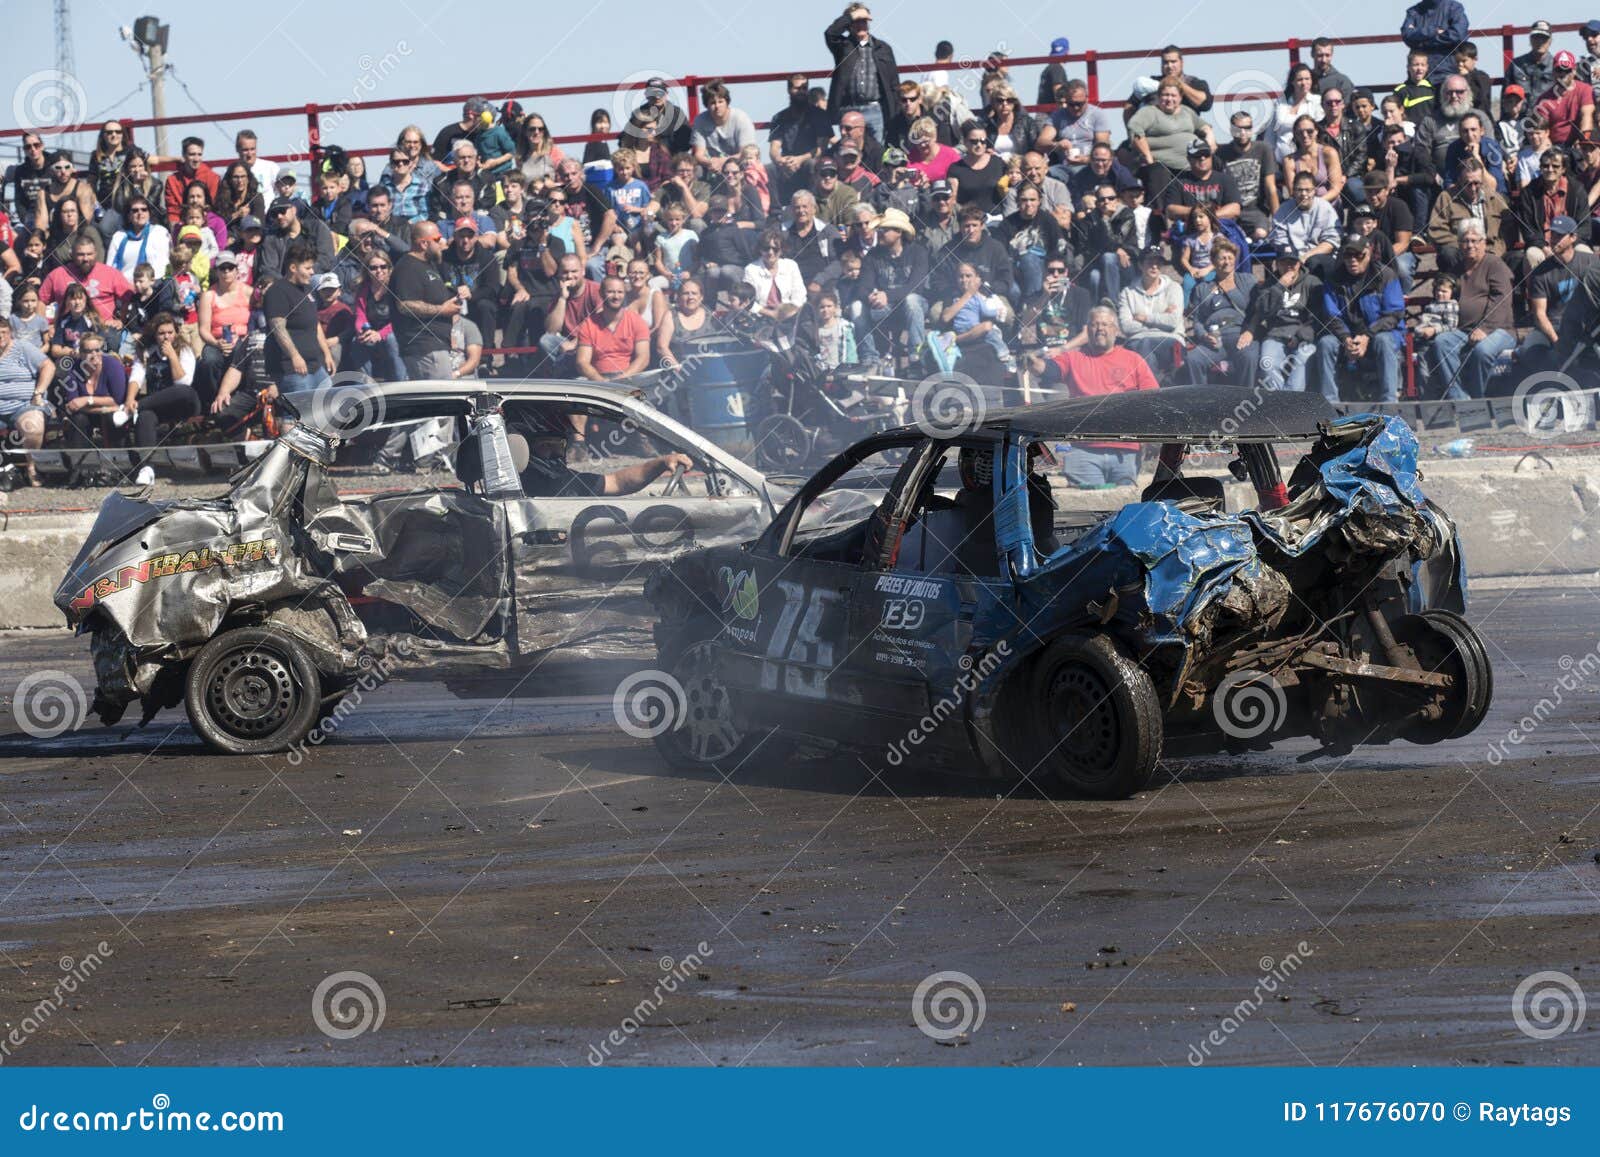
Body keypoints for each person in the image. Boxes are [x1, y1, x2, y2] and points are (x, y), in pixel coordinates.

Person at [1038, 306, 1158, 487]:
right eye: (1094, 324)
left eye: (1105, 324)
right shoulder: (1073, 358)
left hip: (1125, 451)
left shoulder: (1133, 360)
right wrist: (1033, 363)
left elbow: (1153, 400)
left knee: (1124, 508)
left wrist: (1153, 438)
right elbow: (1048, 370)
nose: (1100, 328)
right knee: (1088, 511)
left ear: (1115, 330)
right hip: (1082, 451)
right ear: (1087, 330)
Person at [1311, 235, 1405, 402]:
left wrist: (1367, 335)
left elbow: (1394, 314)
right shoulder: (1333, 279)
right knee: (1326, 343)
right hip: (1347, 335)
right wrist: (1346, 338)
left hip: (1380, 332)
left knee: (1383, 341)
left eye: (1358, 255)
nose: (1352, 260)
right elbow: (1331, 315)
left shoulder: (1386, 275)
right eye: (1347, 255)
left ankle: (1389, 401)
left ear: (1368, 253)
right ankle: (1330, 403)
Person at [126, 312, 202, 478]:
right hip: (158, 406)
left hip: (183, 404)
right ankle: (146, 469)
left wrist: (172, 356)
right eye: (161, 333)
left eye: (170, 332)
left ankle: (135, 409)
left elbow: (183, 383)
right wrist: (130, 399)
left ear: (176, 332)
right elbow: (136, 377)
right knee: (145, 416)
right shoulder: (147, 352)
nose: (166, 337)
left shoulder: (185, 350)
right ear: (155, 335)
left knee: (184, 391)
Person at [1239, 246, 1318, 391]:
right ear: (1276, 264)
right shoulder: (1268, 284)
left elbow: (1317, 318)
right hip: (1275, 334)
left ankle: (1293, 402)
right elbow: (1262, 311)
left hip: (1303, 337)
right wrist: (1279, 286)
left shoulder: (1312, 282)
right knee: (1266, 363)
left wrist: (1300, 335)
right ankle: (1280, 402)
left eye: (1292, 263)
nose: (1288, 267)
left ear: (1299, 264)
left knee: (1300, 361)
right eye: (1284, 263)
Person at [1520, 215, 1596, 367]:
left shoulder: (1591, 262)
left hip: (1586, 326)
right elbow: (1540, 314)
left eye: (1560, 235)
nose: (1554, 239)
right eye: (1552, 234)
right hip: (1554, 327)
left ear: (1573, 237)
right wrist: (1558, 342)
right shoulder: (1540, 272)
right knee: (1529, 352)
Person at [57, 331, 131, 484]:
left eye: (97, 350)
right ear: (80, 353)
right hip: (87, 414)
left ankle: (118, 469)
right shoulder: (73, 371)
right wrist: (103, 406)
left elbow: (117, 400)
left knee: (113, 417)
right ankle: (80, 471)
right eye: (88, 351)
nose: (94, 354)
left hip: (111, 413)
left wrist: (87, 400)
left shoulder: (112, 365)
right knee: (78, 419)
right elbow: (73, 405)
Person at [1127, 78, 1214, 207]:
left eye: (1173, 95)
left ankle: (1213, 210)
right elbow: (1134, 128)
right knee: (1157, 172)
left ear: (1180, 97)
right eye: (1165, 95)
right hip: (1162, 165)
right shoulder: (1150, 112)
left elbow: (1204, 126)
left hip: (1190, 164)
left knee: (1215, 162)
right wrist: (1148, 158)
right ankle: (1162, 216)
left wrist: (1210, 139)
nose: (1169, 99)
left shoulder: (1186, 111)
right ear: (1159, 96)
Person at [389, 222, 459, 381]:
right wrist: (442, 310)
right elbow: (405, 305)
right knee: (441, 401)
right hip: (424, 347)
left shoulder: (429, 265)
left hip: (437, 344)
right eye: (437, 238)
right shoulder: (407, 267)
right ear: (423, 243)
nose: (442, 242)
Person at [1181, 237, 1255, 385]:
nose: (1227, 262)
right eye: (1222, 258)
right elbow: (1198, 321)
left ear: (1235, 260)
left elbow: (1256, 311)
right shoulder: (1202, 288)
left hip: (1240, 335)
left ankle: (1248, 397)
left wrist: (1250, 332)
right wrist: (1204, 336)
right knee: (1193, 359)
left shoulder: (1248, 281)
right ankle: (1201, 399)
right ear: (1214, 263)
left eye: (1230, 257)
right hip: (1215, 339)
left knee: (1249, 357)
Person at [824, 5, 901, 145]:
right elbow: (830, 33)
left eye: (864, 21)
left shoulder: (883, 48)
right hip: (848, 108)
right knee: (850, 149)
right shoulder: (842, 46)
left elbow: (894, 84)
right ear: (849, 25)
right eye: (857, 21)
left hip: (875, 109)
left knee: (877, 149)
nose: (861, 25)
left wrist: (895, 114)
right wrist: (851, 16)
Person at [261, 244, 332, 395]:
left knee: (327, 409)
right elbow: (278, 328)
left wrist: (326, 353)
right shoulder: (277, 291)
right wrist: (294, 356)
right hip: (292, 369)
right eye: (307, 268)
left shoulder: (307, 290)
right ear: (293, 268)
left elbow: (315, 324)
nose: (312, 272)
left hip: (316, 366)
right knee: (300, 413)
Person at [1512, 148, 1590, 270]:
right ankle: (1537, 289)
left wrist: (1567, 244)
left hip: (1570, 243)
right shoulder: (1529, 192)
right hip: (1542, 246)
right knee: (1532, 255)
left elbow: (1585, 226)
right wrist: (1544, 247)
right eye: (1545, 165)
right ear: (1540, 168)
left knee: (1585, 253)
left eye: (1555, 166)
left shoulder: (1577, 190)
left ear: (1563, 169)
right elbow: (1527, 228)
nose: (1550, 169)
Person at [0, 316, 55, 485]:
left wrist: (38, 392)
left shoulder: (23, 348)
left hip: (24, 405)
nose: (0, 337)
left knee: (33, 426)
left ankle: (32, 466)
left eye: (4, 332)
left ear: (10, 333)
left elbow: (48, 366)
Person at [1427, 159, 1509, 272]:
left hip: (1491, 251)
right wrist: (1467, 247)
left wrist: (1494, 252)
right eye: (1468, 184)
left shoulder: (1495, 199)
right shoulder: (1446, 198)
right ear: (1460, 181)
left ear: (1482, 180)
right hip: (1461, 252)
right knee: (1447, 254)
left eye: (1477, 183)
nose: (1473, 188)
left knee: (1516, 258)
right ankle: (1459, 288)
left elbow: (1507, 231)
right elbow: (1436, 230)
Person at [40, 237, 132, 333]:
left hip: (102, 329)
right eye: (80, 254)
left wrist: (121, 320)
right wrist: (44, 328)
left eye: (89, 254)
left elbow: (129, 297)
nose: (85, 258)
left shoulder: (111, 273)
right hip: (67, 330)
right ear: (71, 255)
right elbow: (41, 301)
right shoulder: (57, 274)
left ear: (96, 254)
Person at [195, 252, 251, 408]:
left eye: (230, 268)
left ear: (236, 270)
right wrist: (216, 343)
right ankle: (213, 400)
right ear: (217, 271)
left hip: (242, 339)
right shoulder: (208, 295)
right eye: (222, 268)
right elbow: (203, 329)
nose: (226, 272)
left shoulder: (247, 292)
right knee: (209, 361)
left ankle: (239, 398)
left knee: (242, 355)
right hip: (217, 340)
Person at [1116, 248, 1184, 373]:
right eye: (1149, 262)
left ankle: (1151, 390)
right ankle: (1154, 389)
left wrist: (1145, 318)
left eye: (1158, 262)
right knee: (1144, 346)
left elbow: (1173, 321)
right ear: (1140, 265)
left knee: (1146, 347)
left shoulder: (1174, 288)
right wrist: (1161, 319)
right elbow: (1126, 326)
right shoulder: (1127, 293)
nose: (1154, 266)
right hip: (1138, 341)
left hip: (1169, 339)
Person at [769, 73, 833, 204]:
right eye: (796, 88)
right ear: (789, 90)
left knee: (812, 165)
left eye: (804, 88)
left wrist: (800, 159)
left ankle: (812, 206)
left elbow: (823, 146)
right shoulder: (779, 117)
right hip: (787, 162)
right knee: (769, 169)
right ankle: (776, 213)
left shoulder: (820, 115)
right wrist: (780, 160)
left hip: (809, 160)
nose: (800, 92)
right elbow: (774, 148)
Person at [574, 276, 649, 382]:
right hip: (597, 378)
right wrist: (602, 382)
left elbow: (643, 358)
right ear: (600, 293)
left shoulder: (637, 321)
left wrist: (621, 379)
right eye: (611, 292)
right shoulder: (588, 324)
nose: (616, 296)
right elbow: (582, 362)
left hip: (629, 376)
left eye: (620, 292)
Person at [1218, 111, 1279, 240]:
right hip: (1229, 210)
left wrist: (1278, 221)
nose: (1243, 133)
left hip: (1255, 211)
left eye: (1247, 128)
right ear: (1231, 130)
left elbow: (1271, 188)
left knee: (1261, 234)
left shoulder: (1263, 149)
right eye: (1238, 128)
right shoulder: (1220, 153)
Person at [1268, 171, 1341, 270]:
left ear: (1315, 190)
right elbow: (1279, 240)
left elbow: (1331, 242)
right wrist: (1294, 257)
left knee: (1313, 262)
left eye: (1308, 190)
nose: (1303, 194)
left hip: (1319, 259)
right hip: (1291, 259)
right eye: (1299, 190)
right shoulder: (1283, 209)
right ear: (1293, 191)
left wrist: (1307, 256)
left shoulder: (1325, 208)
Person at [1124, 45, 1214, 119]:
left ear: (1181, 63)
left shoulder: (1194, 83)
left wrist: (1178, 84)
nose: (1169, 66)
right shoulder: (1151, 82)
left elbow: (1205, 105)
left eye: (1173, 62)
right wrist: (1133, 134)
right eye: (1165, 62)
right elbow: (1129, 107)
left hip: (1187, 135)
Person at [259, 197, 336, 277]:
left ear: (294, 210)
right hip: (284, 284)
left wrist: (304, 273)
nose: (279, 216)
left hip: (315, 280)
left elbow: (326, 259)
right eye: (274, 214)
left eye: (282, 211)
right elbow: (269, 268)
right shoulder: (271, 237)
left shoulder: (317, 228)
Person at [1050, 79, 1115, 171]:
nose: (1076, 107)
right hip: (1064, 167)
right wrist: (1056, 145)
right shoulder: (1057, 116)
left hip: (1091, 166)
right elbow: (1041, 142)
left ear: (1087, 99)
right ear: (1066, 101)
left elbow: (1103, 148)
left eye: (1079, 104)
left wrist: (1085, 159)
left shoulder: (1097, 115)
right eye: (1071, 104)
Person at [691, 79, 758, 168]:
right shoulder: (700, 120)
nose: (717, 106)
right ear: (706, 105)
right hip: (711, 166)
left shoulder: (741, 118)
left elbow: (746, 153)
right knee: (695, 169)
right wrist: (711, 163)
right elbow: (698, 154)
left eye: (720, 101)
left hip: (739, 165)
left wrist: (723, 162)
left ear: (727, 102)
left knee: (752, 165)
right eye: (712, 103)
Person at [744, 230, 807, 322]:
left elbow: (800, 295)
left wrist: (789, 313)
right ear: (760, 249)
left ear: (781, 250)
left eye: (775, 249)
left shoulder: (791, 265)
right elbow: (747, 301)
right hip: (762, 317)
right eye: (766, 248)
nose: (770, 252)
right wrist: (771, 314)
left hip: (790, 316)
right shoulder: (750, 269)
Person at [1536, 51, 1596, 147]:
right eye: (1559, 70)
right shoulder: (1543, 100)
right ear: (1553, 72)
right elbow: (1541, 131)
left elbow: (1587, 117)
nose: (1563, 74)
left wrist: (1583, 142)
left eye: (1567, 70)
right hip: (1554, 146)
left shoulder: (1585, 90)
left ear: (1574, 71)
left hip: (1579, 144)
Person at [1283, 114, 1345, 204]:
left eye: (1309, 131)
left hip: (1329, 205)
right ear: (1295, 135)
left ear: (1316, 131)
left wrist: (1317, 204)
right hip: (1303, 205)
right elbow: (1293, 192)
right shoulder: (1289, 161)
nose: (1305, 135)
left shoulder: (1329, 153)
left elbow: (1335, 189)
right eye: (1300, 132)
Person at [1402, 0, 1470, 81]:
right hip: (1419, 76)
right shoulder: (1413, 11)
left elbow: (1458, 34)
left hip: (1447, 73)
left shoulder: (1454, 8)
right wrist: (1434, 31)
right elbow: (1407, 35)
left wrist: (1423, 42)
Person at [105, 198, 170, 280]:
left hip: (151, 286)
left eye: (144, 209)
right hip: (123, 287)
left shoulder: (159, 232)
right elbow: (110, 267)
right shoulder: (119, 236)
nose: (140, 213)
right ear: (129, 215)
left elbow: (163, 263)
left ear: (149, 213)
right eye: (135, 210)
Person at [1270, 65, 1325, 161]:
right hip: (1280, 161)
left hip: (1308, 160)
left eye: (1307, 79)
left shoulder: (1317, 101)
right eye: (1300, 79)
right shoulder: (1280, 103)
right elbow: (1270, 133)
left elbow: (1320, 131)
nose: (1304, 83)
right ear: (1292, 82)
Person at [162, 137, 219, 226]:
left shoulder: (213, 178)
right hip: (181, 226)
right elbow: (173, 212)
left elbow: (213, 208)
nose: (196, 159)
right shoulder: (172, 181)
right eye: (192, 154)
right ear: (184, 155)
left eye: (199, 154)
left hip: (207, 224)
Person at [1510, 20, 1558, 100]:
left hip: (1548, 111)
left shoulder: (1557, 66)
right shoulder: (1516, 65)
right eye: (1536, 37)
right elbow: (1506, 98)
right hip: (1522, 112)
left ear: (1550, 41)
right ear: (1530, 39)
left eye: (1544, 38)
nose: (1540, 41)